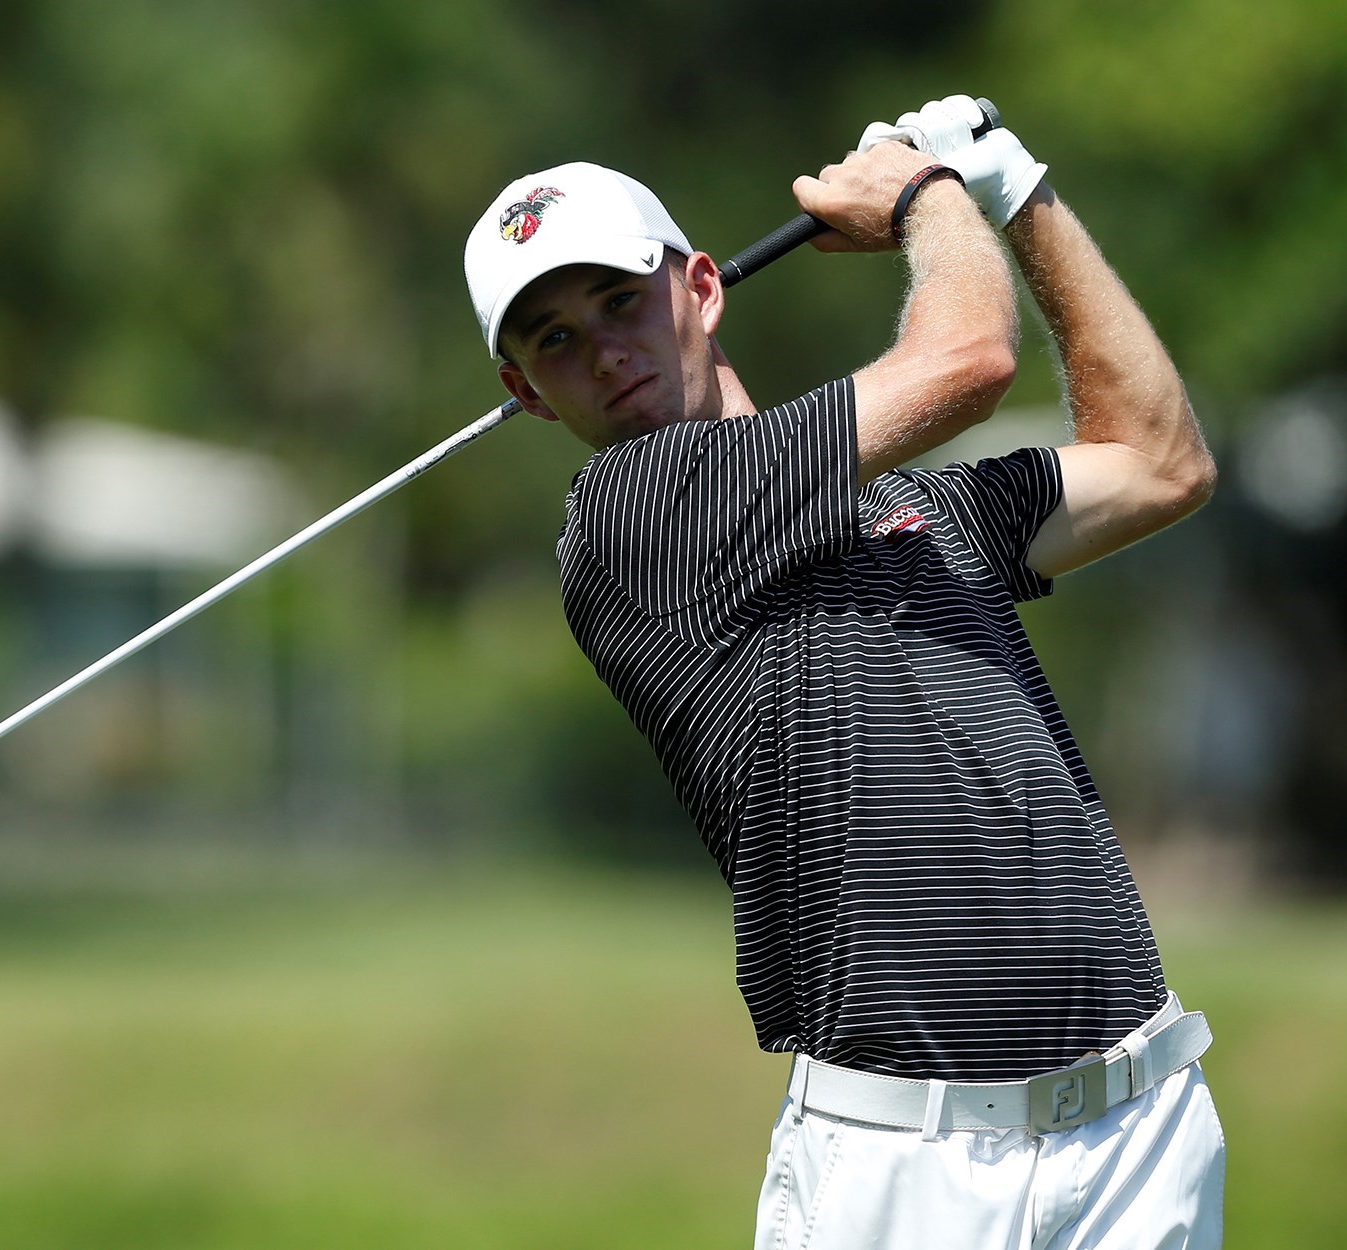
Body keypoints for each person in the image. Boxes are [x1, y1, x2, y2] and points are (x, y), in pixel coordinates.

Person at [462, 93, 1225, 1248]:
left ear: (702, 288)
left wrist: (1024, 202)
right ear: (523, 392)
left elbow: (1157, 460)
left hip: (1138, 1130)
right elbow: (967, 355)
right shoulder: (630, 520)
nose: (604, 349)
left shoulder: (921, 507)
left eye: (620, 300)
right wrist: (926, 196)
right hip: (904, 1172)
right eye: (554, 339)